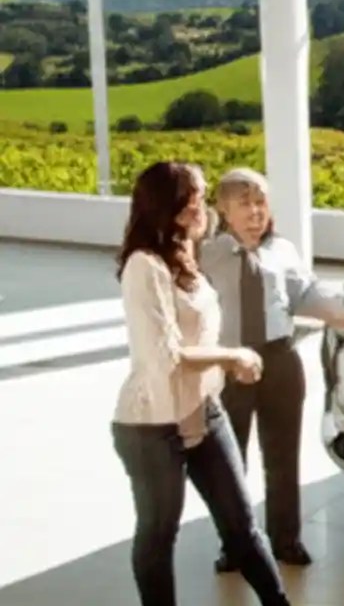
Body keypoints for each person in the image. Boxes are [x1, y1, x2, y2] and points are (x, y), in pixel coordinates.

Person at [111, 161, 291, 606]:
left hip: (204, 413)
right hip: (152, 426)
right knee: (158, 534)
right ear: (174, 205)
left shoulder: (191, 253)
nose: (205, 201)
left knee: (242, 526)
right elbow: (165, 359)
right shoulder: (144, 266)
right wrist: (233, 357)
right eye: (198, 193)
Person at [201, 167, 344, 572]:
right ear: (223, 209)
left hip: (280, 361)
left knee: (282, 457)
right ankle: (236, 545)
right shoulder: (208, 253)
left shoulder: (283, 251)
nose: (256, 212)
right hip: (231, 364)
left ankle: (286, 539)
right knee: (230, 462)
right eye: (244, 203)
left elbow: (308, 296)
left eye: (260, 202)